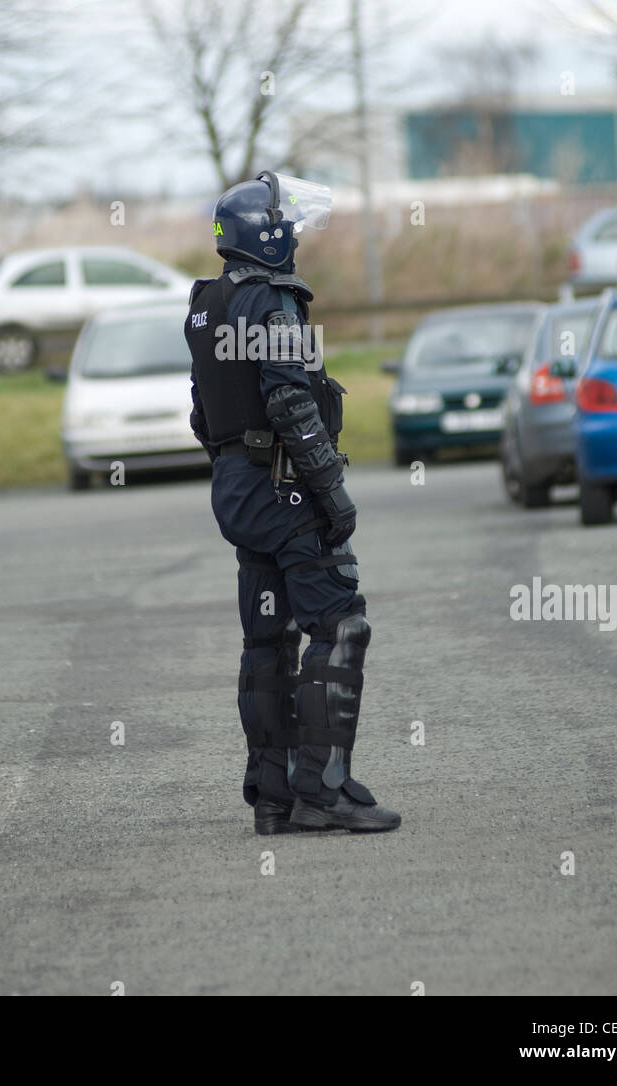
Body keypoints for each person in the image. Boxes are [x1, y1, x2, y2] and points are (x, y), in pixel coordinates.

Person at [184, 170, 400, 836]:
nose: (298, 237)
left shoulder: (208, 304)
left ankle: (272, 797)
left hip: (238, 489)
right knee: (339, 624)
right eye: (291, 227)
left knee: (266, 639)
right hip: (283, 488)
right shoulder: (273, 300)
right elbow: (289, 399)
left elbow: (201, 413)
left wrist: (239, 471)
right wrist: (330, 492)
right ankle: (322, 790)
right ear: (267, 234)